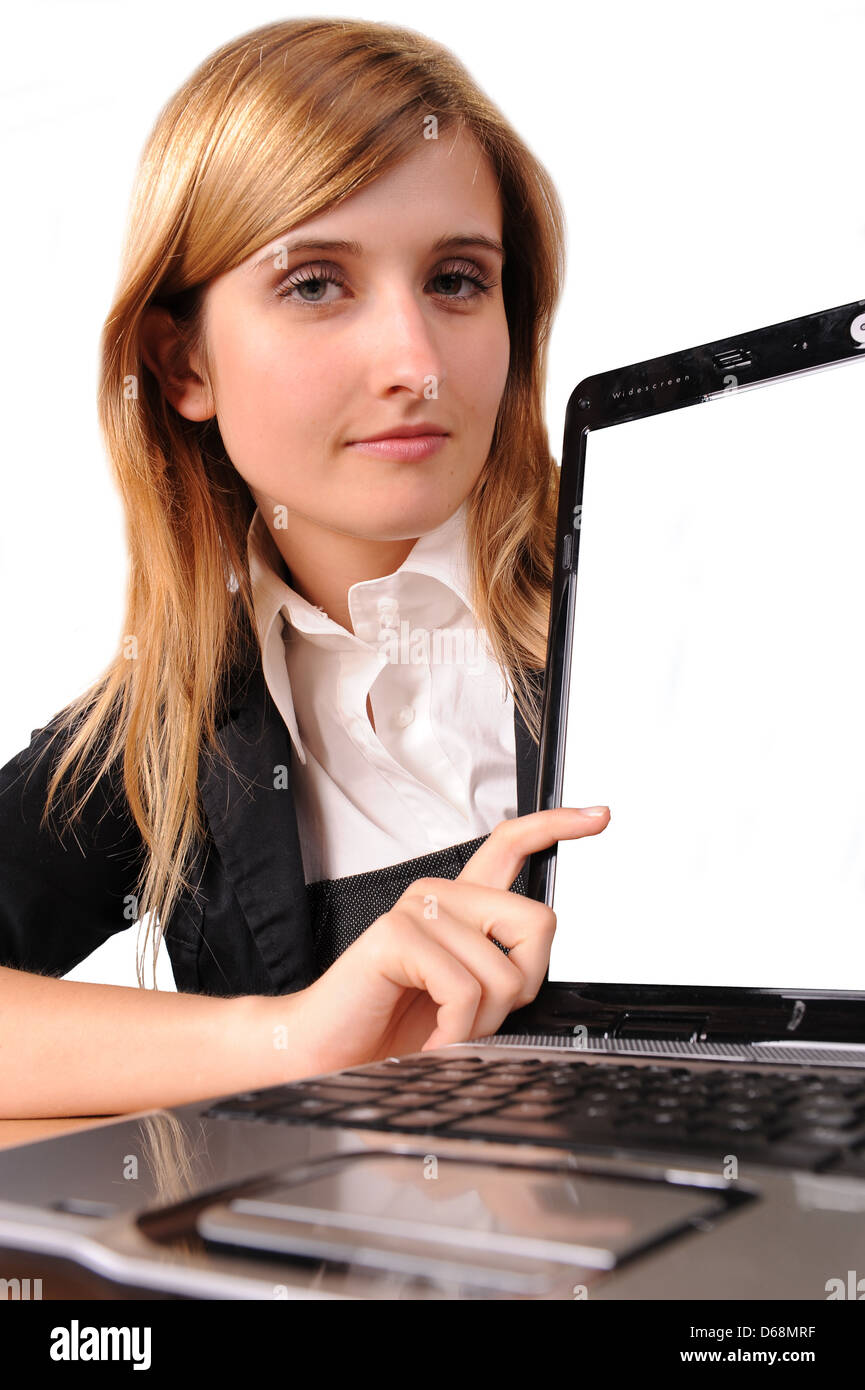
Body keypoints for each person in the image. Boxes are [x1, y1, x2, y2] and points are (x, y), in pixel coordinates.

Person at [0, 17, 609, 1119]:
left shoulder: (667, 605)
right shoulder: (165, 734)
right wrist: (292, 1033)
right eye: (317, 283)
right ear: (183, 361)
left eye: (458, 280)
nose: (416, 366)